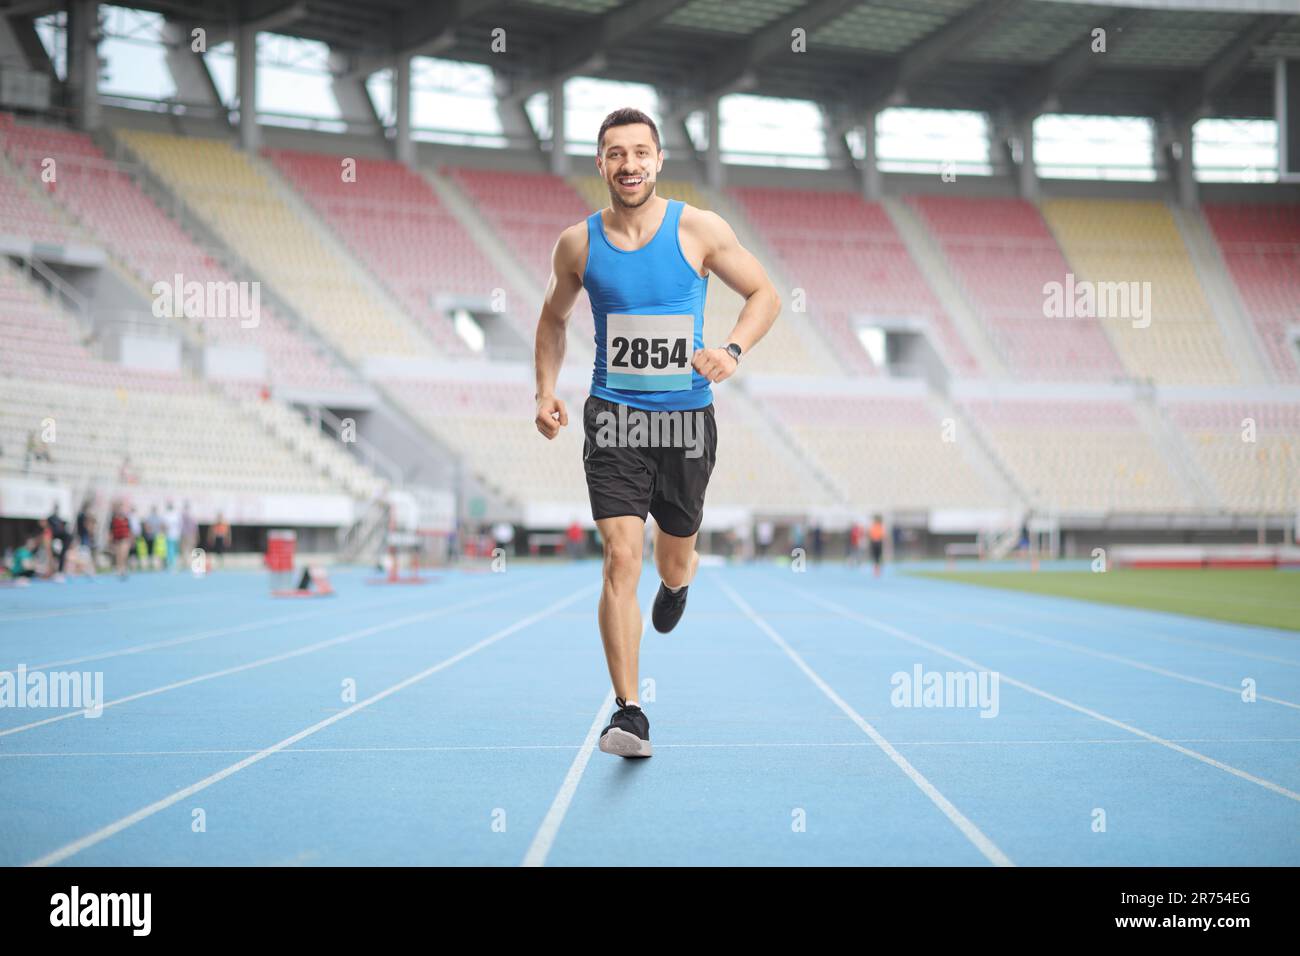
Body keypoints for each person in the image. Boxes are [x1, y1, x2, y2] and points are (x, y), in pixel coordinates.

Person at [533, 107, 780, 759]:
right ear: (601, 163)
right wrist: (544, 391)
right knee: (620, 556)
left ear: (659, 159)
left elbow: (765, 295)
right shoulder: (577, 244)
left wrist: (731, 349)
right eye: (616, 153)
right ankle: (630, 710)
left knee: (672, 557)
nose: (629, 164)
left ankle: (679, 582)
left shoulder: (698, 229)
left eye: (640, 152)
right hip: (613, 417)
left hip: (686, 422)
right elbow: (553, 320)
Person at [109, 502, 132, 579]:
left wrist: (131, 539)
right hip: (116, 539)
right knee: (118, 554)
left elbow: (129, 530)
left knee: (124, 554)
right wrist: (110, 540)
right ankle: (119, 569)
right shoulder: (113, 519)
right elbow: (110, 530)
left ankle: (124, 568)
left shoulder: (126, 519)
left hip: (124, 538)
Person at [162, 501, 182, 572]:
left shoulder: (172, 514)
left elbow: (179, 525)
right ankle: (171, 564)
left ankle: (173, 564)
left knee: (173, 550)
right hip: (171, 535)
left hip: (173, 535)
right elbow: (164, 526)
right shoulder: (171, 515)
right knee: (171, 550)